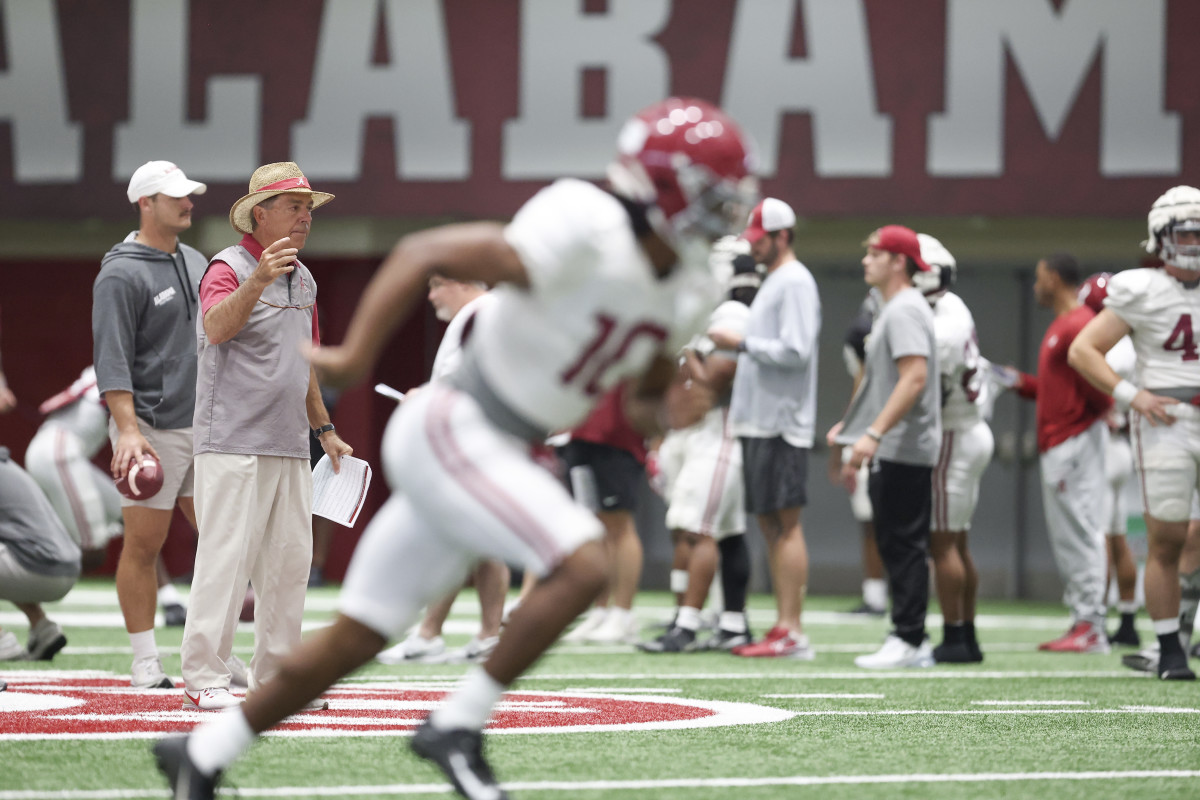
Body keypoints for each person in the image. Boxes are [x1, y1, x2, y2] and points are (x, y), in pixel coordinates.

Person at [152, 97, 756, 800]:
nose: (723, 210)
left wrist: (674, 412)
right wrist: (355, 356)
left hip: (500, 444)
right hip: (459, 419)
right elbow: (423, 252)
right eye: (713, 193)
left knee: (360, 633)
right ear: (666, 183)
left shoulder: (692, 283)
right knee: (583, 560)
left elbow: (646, 399)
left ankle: (201, 754)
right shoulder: (585, 222)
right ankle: (459, 726)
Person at [179, 162, 353, 711]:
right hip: (231, 441)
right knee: (225, 562)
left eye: (308, 209)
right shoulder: (226, 267)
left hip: (290, 443)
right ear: (260, 215)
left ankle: (278, 680)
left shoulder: (304, 279)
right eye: (294, 207)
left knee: (288, 567)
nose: (306, 217)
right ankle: (203, 678)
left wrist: (325, 429)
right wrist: (257, 280)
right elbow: (215, 328)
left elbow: (305, 364)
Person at [1068, 185, 1200, 679]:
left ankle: (1182, 636)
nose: (1194, 241)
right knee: (1166, 539)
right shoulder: (1142, 288)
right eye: (1185, 232)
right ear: (1161, 237)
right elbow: (1083, 350)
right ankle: (1170, 650)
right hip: (1168, 421)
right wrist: (1132, 396)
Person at [92, 160, 208, 689]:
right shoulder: (120, 273)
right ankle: (144, 660)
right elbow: (111, 358)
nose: (188, 202)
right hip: (150, 428)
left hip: (204, 426)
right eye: (175, 196)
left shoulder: (197, 260)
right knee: (144, 543)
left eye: (188, 194)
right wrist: (129, 430)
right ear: (146, 203)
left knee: (223, 542)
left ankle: (211, 654)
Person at [377, 275, 511, 664]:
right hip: (479, 440)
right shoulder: (486, 312)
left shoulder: (480, 313)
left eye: (438, 285)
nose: (432, 295)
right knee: (479, 540)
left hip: (473, 442)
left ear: (464, 281)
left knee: (456, 535)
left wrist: (423, 397)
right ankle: (481, 636)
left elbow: (469, 382)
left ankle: (429, 634)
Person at [708, 197, 820, 660]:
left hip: (779, 421)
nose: (753, 247)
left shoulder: (793, 281)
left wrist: (741, 342)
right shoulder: (778, 280)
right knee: (771, 526)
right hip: (761, 420)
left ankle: (793, 629)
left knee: (784, 526)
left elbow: (796, 349)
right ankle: (783, 624)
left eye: (760, 239)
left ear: (782, 236)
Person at [641, 236, 761, 652]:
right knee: (722, 532)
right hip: (698, 432)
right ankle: (729, 623)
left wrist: (688, 344)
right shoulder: (713, 313)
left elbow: (714, 380)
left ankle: (688, 625)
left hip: (719, 430)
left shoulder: (734, 314)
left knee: (698, 530)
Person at [831, 225, 941, 669]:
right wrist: (853, 427)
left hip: (904, 444)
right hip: (895, 443)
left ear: (899, 261)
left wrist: (873, 433)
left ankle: (910, 637)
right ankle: (907, 633)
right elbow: (888, 382)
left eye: (875, 253)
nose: (865, 260)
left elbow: (914, 377)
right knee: (894, 541)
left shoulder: (904, 310)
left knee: (904, 543)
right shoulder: (895, 308)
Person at [1000, 252, 1112, 654]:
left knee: (1081, 532)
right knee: (1070, 536)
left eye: (1038, 277)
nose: (1035, 286)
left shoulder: (1079, 323)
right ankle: (1084, 620)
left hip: (1074, 441)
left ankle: (1091, 625)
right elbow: (1056, 390)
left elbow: (1100, 388)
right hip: (1062, 441)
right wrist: (1018, 382)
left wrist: (1094, 417)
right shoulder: (1064, 324)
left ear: (1053, 278)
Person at [24, 366, 188, 624]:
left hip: (64, 455)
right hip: (58, 455)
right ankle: (17, 581)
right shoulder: (125, 371)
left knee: (134, 519)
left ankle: (170, 600)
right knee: (93, 552)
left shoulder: (120, 367)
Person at [915, 233, 993, 664]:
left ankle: (954, 637)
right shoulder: (953, 306)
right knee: (957, 542)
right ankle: (967, 635)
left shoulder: (938, 329)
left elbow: (924, 394)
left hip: (953, 434)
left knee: (942, 544)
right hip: (970, 429)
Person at [1076, 272, 1142, 647]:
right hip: (1122, 445)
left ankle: (1094, 621)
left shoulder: (1109, 348)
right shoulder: (1132, 344)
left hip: (1104, 443)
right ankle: (1128, 620)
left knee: (1097, 538)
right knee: (1116, 537)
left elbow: (1092, 392)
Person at [557, 385, 650, 645]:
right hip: (579, 433)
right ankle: (600, 611)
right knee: (595, 527)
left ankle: (623, 614)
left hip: (617, 436)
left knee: (619, 524)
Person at [830, 290, 888, 616]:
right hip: (890, 431)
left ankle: (880, 596)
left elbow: (861, 386)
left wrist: (847, 436)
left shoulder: (869, 330)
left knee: (876, 523)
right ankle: (879, 594)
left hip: (875, 433)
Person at [0, 446, 79, 661]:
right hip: (64, 568)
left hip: (35, 567)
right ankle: (42, 627)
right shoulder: (9, 468)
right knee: (13, 548)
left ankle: (2, 641)